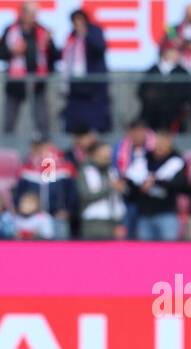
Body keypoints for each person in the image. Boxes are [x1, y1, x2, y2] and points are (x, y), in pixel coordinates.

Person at [2, 2, 59, 138]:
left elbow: (54, 56)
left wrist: (49, 43)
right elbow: (2, 53)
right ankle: (7, 153)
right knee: (9, 122)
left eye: (35, 14)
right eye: (31, 13)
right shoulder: (11, 29)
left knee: (42, 122)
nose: (34, 17)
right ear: (23, 13)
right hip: (16, 83)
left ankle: (44, 153)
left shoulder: (42, 30)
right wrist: (12, 51)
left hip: (37, 83)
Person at [127, 128, 186, 241]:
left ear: (170, 143)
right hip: (145, 214)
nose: (160, 146)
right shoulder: (144, 159)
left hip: (166, 214)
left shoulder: (176, 161)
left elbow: (179, 185)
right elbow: (131, 180)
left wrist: (155, 182)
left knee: (169, 253)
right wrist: (141, 188)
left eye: (164, 143)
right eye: (158, 142)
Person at [14, 137, 75, 238]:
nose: (41, 150)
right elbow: (19, 194)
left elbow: (71, 193)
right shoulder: (27, 169)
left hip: (57, 218)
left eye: (43, 146)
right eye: (36, 146)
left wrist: (67, 210)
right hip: (32, 219)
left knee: (60, 250)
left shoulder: (64, 168)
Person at [61, 8, 110, 134]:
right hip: (76, 86)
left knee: (95, 122)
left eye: (79, 20)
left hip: (93, 87)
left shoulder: (94, 31)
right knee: (76, 121)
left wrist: (86, 34)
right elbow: (63, 55)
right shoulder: (72, 36)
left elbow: (100, 48)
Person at [138, 38, 191, 132]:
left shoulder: (182, 72)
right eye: (173, 51)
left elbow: (188, 93)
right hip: (153, 119)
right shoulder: (153, 71)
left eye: (178, 51)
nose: (176, 54)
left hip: (175, 119)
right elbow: (142, 92)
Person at [76, 140, 126, 239]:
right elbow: (85, 195)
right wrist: (110, 187)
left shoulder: (112, 171)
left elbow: (118, 198)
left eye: (109, 154)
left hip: (114, 221)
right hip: (94, 222)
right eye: (103, 153)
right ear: (94, 154)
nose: (107, 157)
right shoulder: (85, 171)